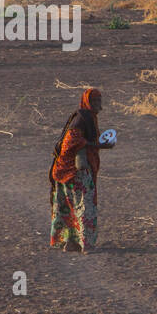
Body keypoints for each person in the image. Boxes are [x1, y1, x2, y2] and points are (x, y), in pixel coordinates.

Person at [50, 88, 114, 253]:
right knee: (85, 206)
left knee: (71, 206)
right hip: (74, 172)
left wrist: (97, 145)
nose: (97, 105)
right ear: (87, 102)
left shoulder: (87, 118)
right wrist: (98, 145)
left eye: (98, 101)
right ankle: (86, 245)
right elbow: (70, 142)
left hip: (67, 172)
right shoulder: (82, 119)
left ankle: (72, 243)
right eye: (93, 101)